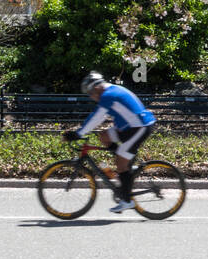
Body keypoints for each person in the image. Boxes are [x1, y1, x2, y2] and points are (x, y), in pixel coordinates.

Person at [63, 71, 156, 213]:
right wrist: (80, 131)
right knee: (104, 136)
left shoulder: (108, 95)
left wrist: (78, 134)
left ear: (96, 88)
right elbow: (97, 117)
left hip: (139, 127)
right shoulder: (110, 91)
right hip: (128, 126)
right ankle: (124, 169)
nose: (91, 97)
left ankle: (127, 200)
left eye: (90, 93)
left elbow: (97, 117)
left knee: (121, 162)